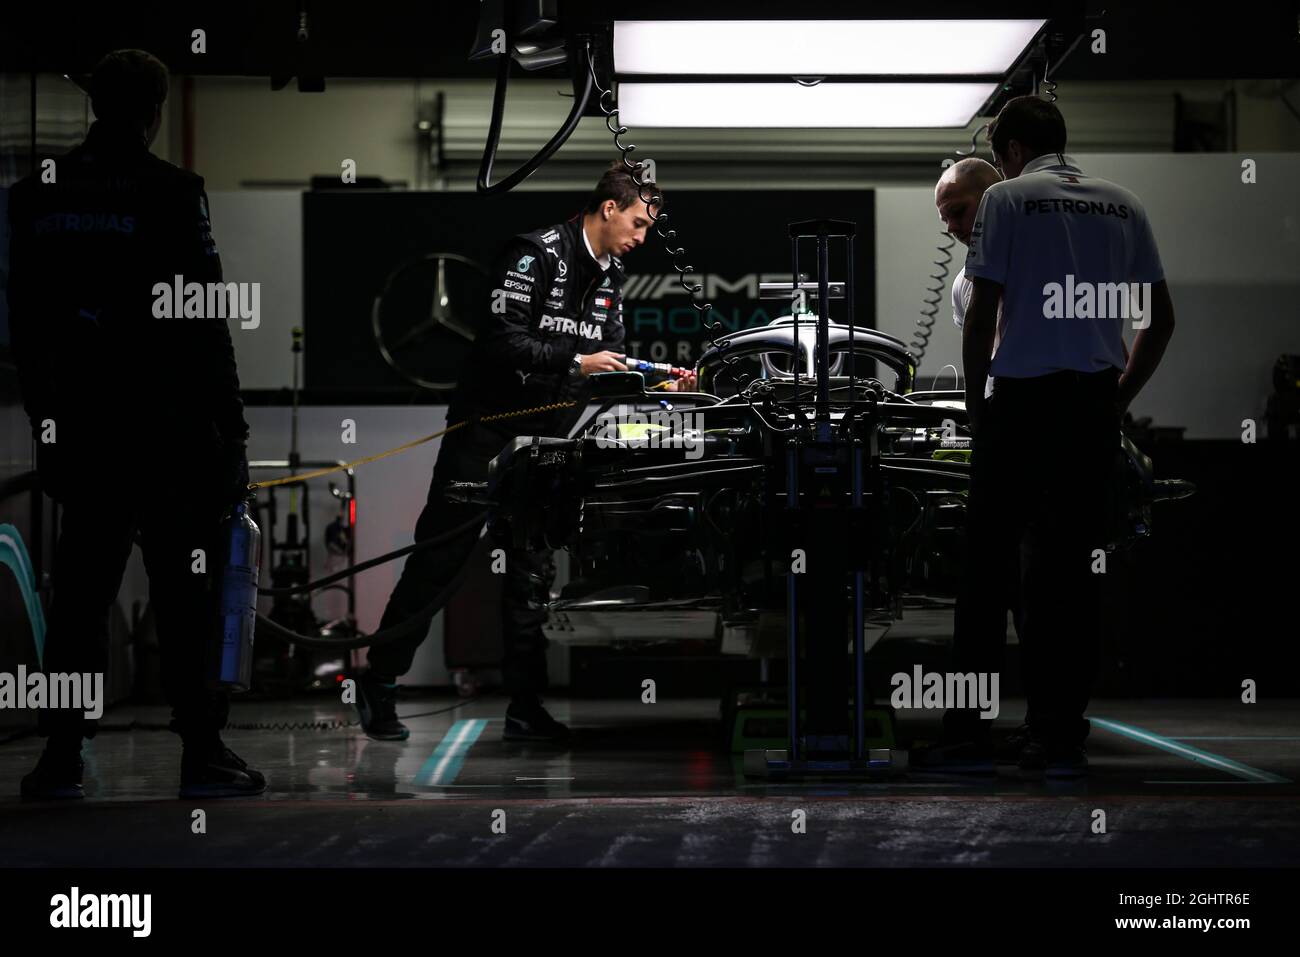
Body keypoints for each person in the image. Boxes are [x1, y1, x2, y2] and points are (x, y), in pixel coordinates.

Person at [356, 162, 688, 743]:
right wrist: (572, 361)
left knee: (529, 576)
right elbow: (500, 340)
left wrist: (656, 383)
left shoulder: (610, 279)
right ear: (609, 208)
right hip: (485, 436)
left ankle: (524, 708)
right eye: (637, 222)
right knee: (440, 562)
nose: (641, 236)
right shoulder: (535, 254)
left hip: (547, 447)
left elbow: (606, 365)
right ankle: (379, 684)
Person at [7, 50, 265, 798]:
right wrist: (235, 432)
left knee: (80, 596)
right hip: (171, 432)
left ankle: (60, 757)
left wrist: (47, 424)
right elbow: (205, 321)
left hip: (83, 434)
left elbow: (26, 330)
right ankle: (202, 752)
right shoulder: (173, 192)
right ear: (153, 110)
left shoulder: (36, 196)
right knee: (186, 596)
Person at [933, 96, 1175, 777]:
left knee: (985, 578)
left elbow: (982, 318)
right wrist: (1114, 401)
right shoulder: (1124, 203)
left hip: (1017, 407)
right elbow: (1160, 321)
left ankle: (966, 733)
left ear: (1009, 151)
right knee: (1069, 580)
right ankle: (1057, 734)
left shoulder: (1008, 200)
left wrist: (982, 416)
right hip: (1089, 409)